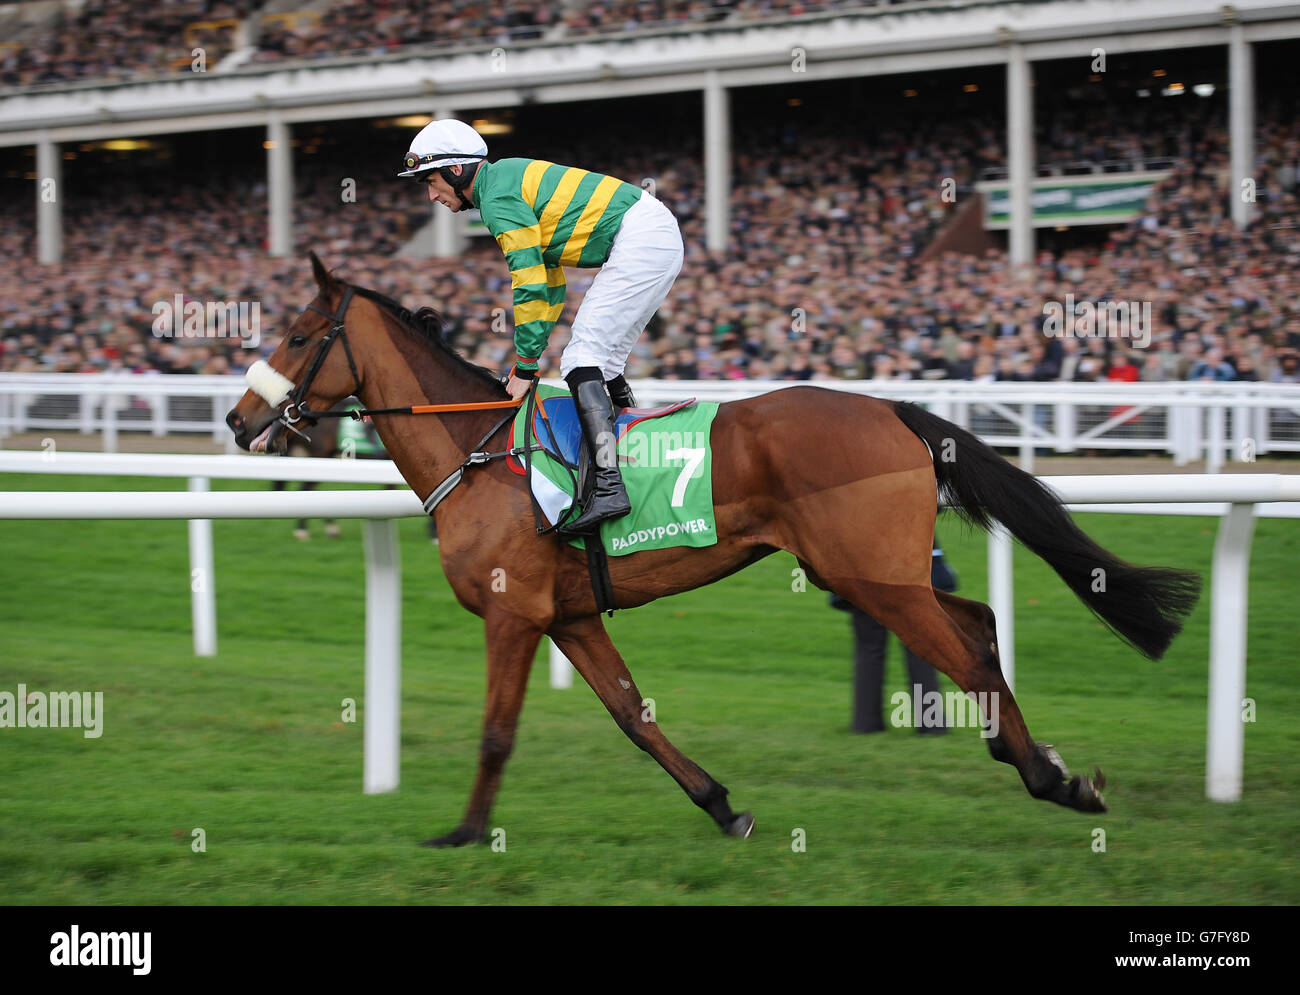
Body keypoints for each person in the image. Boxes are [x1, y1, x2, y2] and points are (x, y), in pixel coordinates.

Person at [400, 119, 685, 536]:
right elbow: (551, 284)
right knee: (600, 365)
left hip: (642, 237)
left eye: (431, 180)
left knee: (582, 359)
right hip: (651, 233)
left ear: (457, 171)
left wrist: (527, 367)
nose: (431, 194)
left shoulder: (497, 196)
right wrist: (526, 362)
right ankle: (631, 466)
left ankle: (609, 487)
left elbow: (529, 280)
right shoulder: (502, 183)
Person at [830, 536, 958, 734]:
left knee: (869, 646)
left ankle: (865, 724)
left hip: (860, 562)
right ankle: (932, 724)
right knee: (920, 645)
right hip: (910, 559)